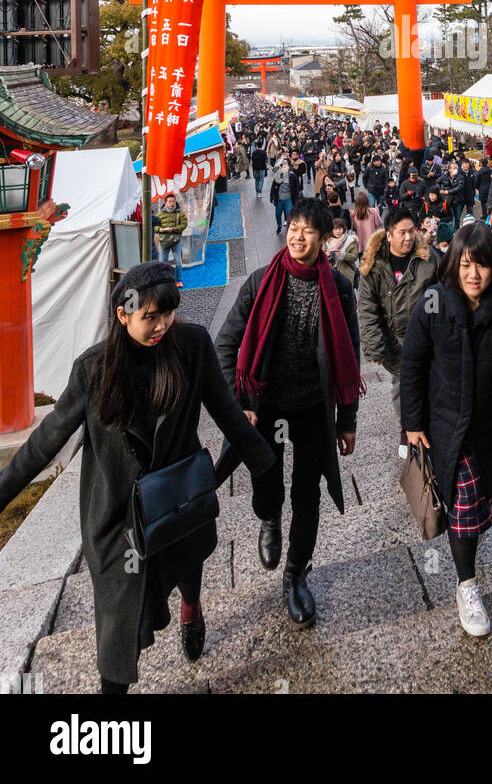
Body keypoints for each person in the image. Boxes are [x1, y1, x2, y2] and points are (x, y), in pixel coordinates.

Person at [0, 262, 275, 692]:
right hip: (118, 519)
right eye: (150, 317)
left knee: (187, 562)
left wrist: (265, 470)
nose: (162, 325)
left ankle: (192, 606)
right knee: (119, 631)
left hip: (178, 497)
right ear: (122, 314)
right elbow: (44, 442)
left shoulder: (192, 346)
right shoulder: (93, 370)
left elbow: (229, 415)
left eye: (167, 313)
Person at [216, 197, 363, 629]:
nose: (298, 236)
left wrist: (348, 419)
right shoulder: (261, 282)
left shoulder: (337, 289)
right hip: (264, 407)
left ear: (323, 237)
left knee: (308, 493)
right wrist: (238, 404)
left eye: (308, 230)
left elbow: (349, 356)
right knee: (266, 481)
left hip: (314, 406)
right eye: (293, 227)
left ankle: (297, 573)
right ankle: (268, 518)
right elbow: (226, 345)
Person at [400, 223, 492, 637]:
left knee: (480, 510)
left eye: (481, 265)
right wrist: (411, 423)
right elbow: (411, 364)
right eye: (465, 265)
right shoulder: (432, 303)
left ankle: (468, 546)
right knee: (464, 508)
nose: (473, 275)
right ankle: (467, 585)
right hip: (445, 427)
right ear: (453, 266)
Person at [357, 204, 439, 444]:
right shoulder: (373, 266)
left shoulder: (428, 258)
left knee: (430, 382)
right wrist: (375, 347)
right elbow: (367, 309)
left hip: (427, 336)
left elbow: (442, 291)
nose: (408, 237)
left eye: (411, 231)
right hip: (395, 340)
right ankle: (409, 428)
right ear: (389, 235)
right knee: (403, 386)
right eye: (402, 232)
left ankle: (427, 424)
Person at [154, 192, 187, 287]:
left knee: (178, 262)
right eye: (170, 201)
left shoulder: (179, 213)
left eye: (173, 201)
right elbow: (155, 227)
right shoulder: (160, 214)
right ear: (165, 203)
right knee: (162, 262)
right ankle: (163, 281)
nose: (172, 203)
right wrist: (159, 229)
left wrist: (174, 229)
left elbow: (184, 225)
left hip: (176, 240)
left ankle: (178, 280)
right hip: (164, 240)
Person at [325, 216, 360, 286]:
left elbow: (355, 256)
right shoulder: (327, 241)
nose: (338, 231)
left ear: (343, 229)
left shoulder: (350, 241)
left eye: (340, 228)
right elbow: (321, 257)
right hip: (330, 274)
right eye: (335, 229)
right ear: (331, 230)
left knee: (346, 295)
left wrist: (344, 255)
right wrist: (327, 255)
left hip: (346, 275)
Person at [350, 189, 383, 253]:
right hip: (371, 242)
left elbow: (354, 228)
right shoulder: (373, 212)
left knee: (362, 261)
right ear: (367, 201)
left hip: (360, 243)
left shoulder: (354, 214)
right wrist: (377, 209)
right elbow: (379, 223)